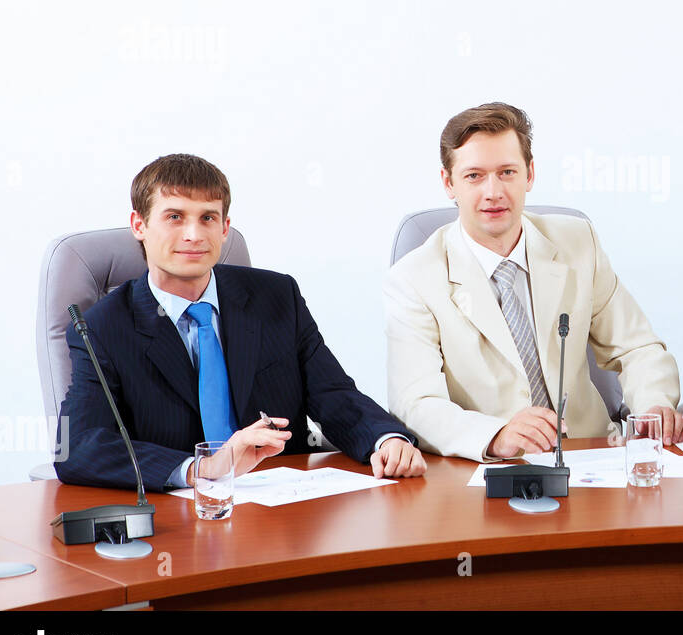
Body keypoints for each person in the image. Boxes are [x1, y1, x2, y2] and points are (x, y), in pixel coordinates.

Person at [55, 154, 425, 491]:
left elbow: (334, 394)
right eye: (174, 217)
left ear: (225, 228)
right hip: (178, 513)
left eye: (207, 218)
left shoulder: (277, 297)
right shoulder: (101, 328)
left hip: (283, 505)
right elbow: (78, 448)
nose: (194, 235)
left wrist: (387, 439)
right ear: (139, 224)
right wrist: (202, 467)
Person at [385, 102, 683, 461]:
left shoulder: (578, 242)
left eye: (507, 172)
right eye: (474, 176)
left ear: (529, 174)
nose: (493, 191)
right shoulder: (414, 278)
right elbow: (416, 404)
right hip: (492, 468)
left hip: (591, 457)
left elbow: (636, 347)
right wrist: (496, 436)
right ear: (448, 183)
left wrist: (653, 405)